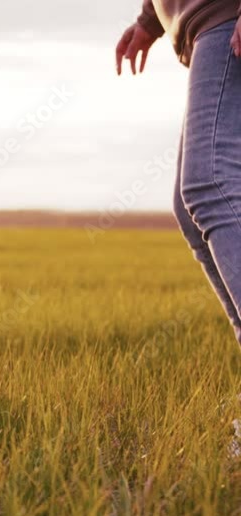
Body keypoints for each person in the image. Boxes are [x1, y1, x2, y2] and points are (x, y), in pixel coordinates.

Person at [116, 1, 241, 347]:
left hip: (223, 16)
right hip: (203, 23)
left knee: (210, 183)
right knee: (192, 211)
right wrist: (151, 19)